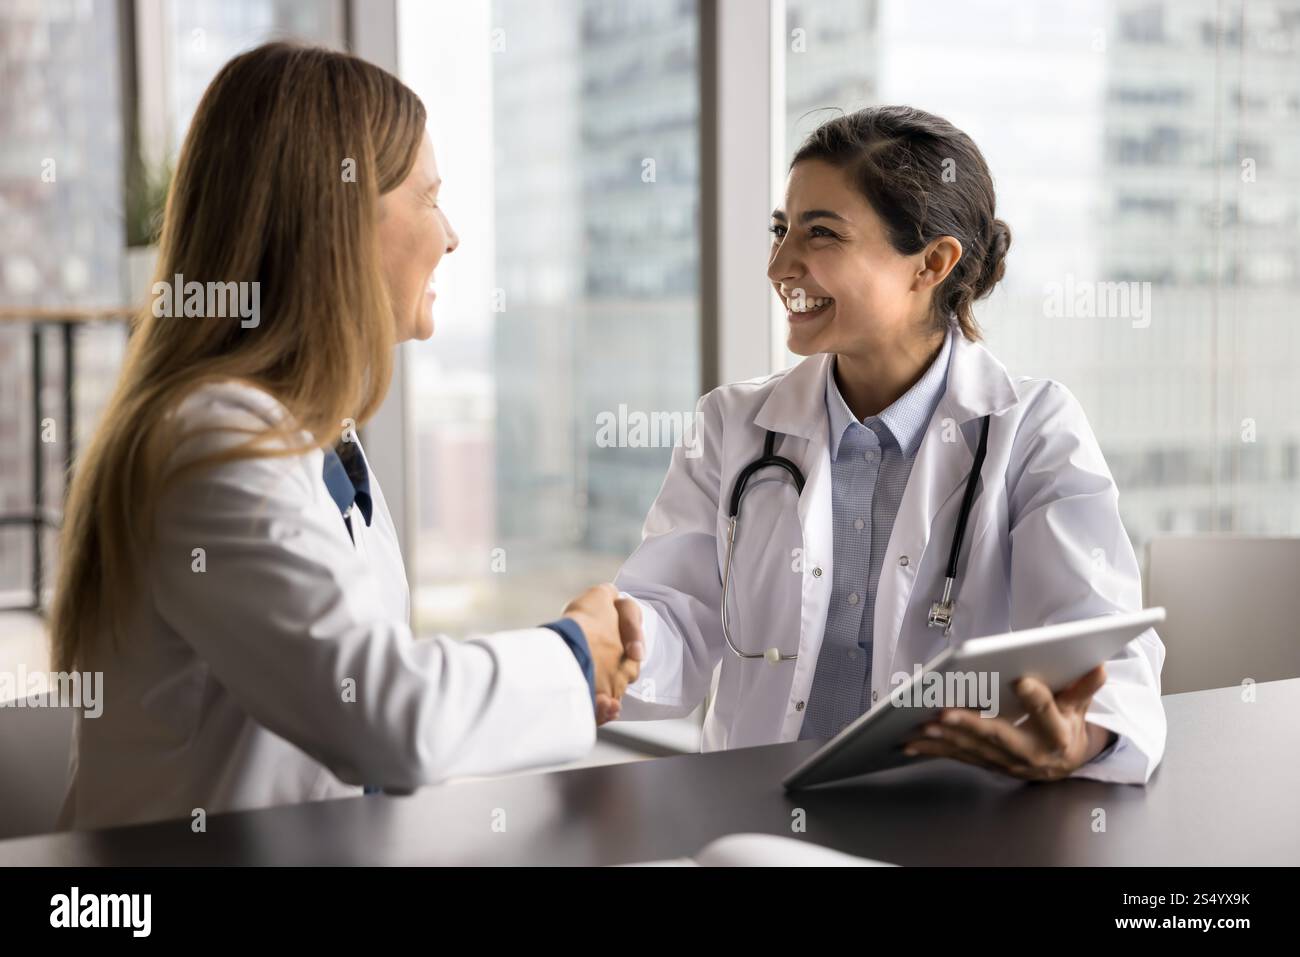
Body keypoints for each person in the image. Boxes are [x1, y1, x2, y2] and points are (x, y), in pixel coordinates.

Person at [50, 42, 643, 831]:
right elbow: (379, 711)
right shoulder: (211, 442)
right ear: (342, 219)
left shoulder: (324, 441)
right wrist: (573, 652)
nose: (454, 235)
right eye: (431, 198)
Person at [610, 106, 1165, 784]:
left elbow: (1104, 643)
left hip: (951, 823)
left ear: (931, 262)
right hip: (754, 816)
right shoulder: (732, 424)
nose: (779, 264)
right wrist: (613, 640)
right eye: (781, 230)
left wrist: (1082, 736)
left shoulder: (1032, 429)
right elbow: (674, 622)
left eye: (820, 233)